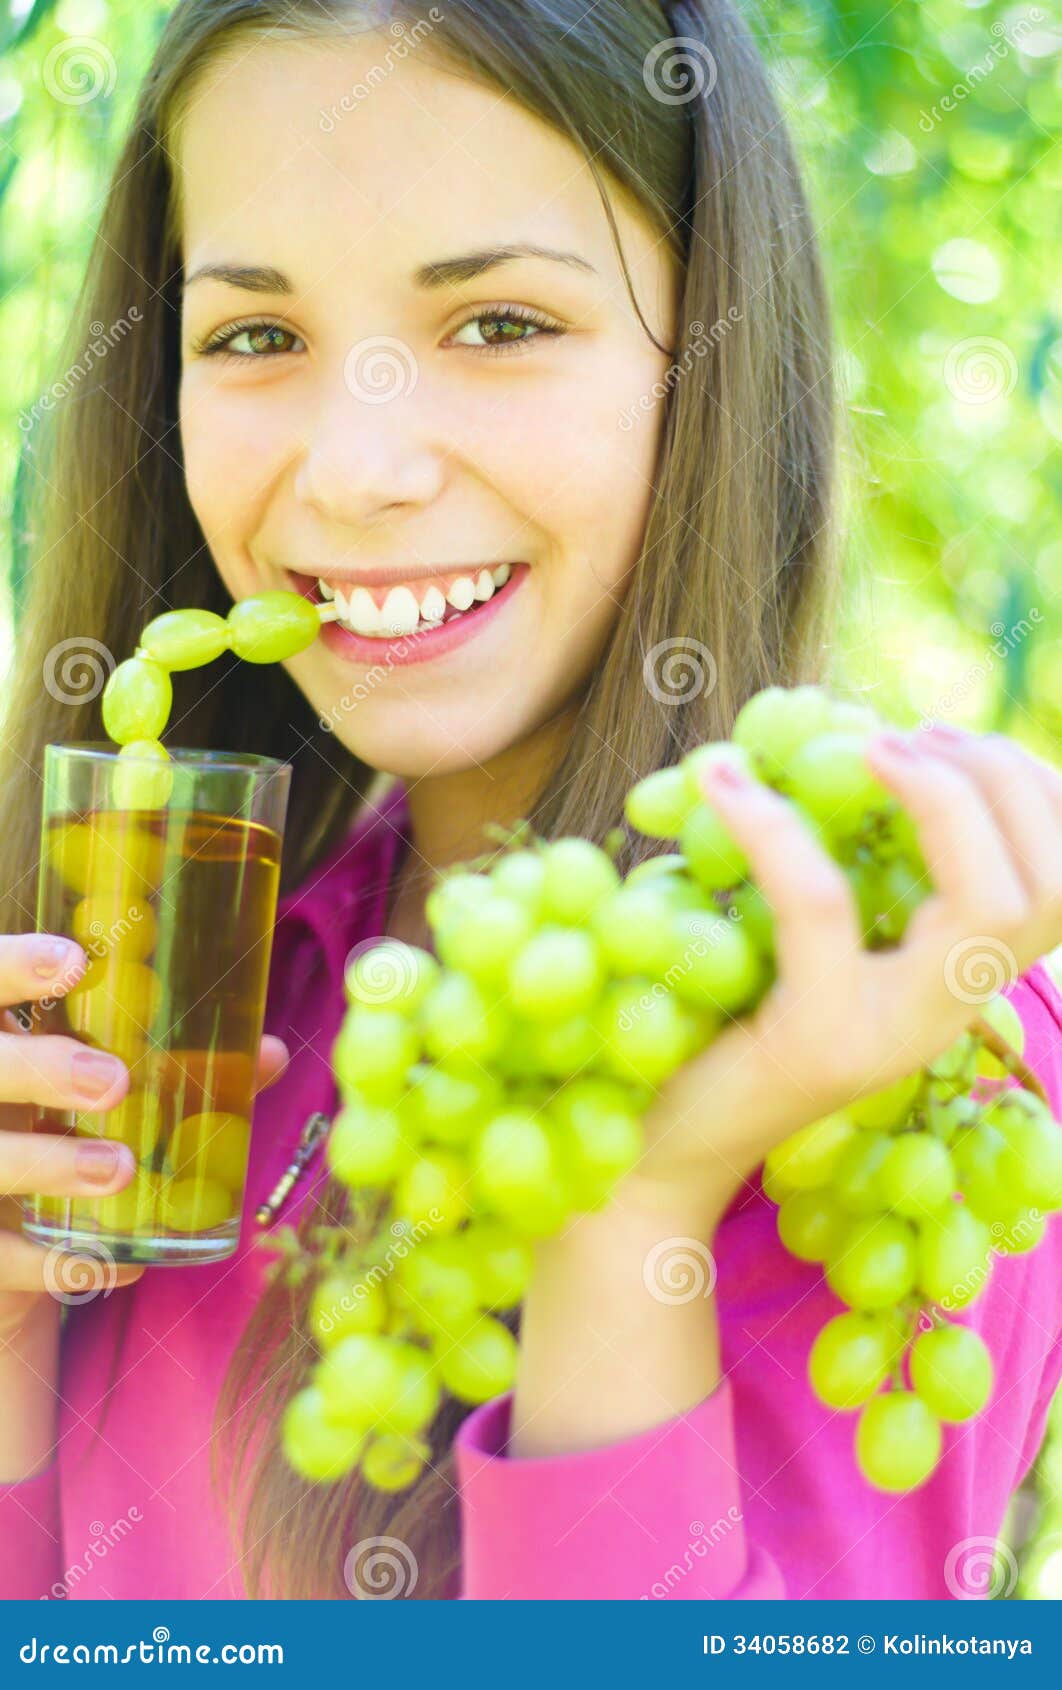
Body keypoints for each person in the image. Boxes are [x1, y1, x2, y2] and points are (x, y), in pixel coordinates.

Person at [1, 0, 1060, 1602]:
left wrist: (625, 1228)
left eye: (497, 323)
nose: (356, 472)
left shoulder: (896, 1029)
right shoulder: (206, 973)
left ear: (710, 350)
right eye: (253, 336)